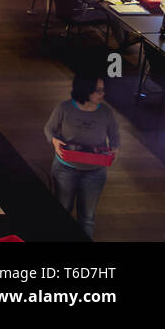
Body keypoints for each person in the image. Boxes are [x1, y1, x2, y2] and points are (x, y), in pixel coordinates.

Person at [44, 75, 119, 238]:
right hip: (65, 169)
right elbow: (49, 129)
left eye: (103, 90)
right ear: (85, 91)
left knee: (87, 217)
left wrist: (114, 149)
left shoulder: (106, 112)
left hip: (95, 172)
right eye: (98, 91)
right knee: (62, 213)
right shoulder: (64, 108)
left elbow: (115, 136)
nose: (103, 94)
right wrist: (55, 141)